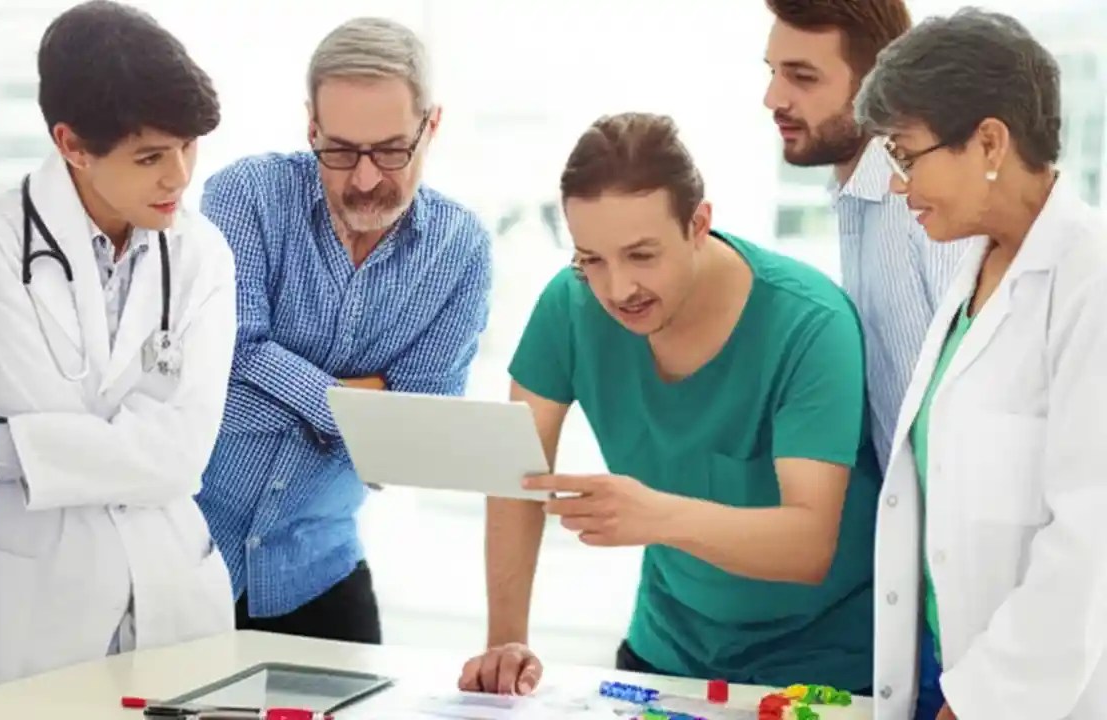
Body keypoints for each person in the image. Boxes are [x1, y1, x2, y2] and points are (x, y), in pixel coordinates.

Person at [459, 112, 879, 695]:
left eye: (641, 255)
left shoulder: (810, 323)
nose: (617, 289)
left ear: (698, 224)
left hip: (823, 666)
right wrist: (506, 641)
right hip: (667, 651)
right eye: (592, 258)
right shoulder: (571, 304)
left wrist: (654, 515)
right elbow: (514, 478)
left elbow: (807, 546)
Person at [0, 0, 235, 686]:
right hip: (41, 595)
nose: (179, 177)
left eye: (188, 147)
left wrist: (7, 446)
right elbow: (43, 404)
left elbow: (184, 455)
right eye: (150, 157)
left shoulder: (203, 252)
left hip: (171, 586)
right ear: (71, 144)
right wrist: (125, 444)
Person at [198, 17, 492, 644]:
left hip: (321, 575)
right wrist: (364, 404)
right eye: (339, 150)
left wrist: (284, 382)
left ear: (431, 126)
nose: (364, 179)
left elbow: (416, 434)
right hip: (189, 564)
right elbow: (222, 367)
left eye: (390, 151)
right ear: (311, 127)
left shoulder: (461, 250)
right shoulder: (244, 198)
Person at [856, 10, 1107, 720]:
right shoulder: (976, 267)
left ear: (990, 141)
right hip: (948, 668)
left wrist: (980, 703)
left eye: (906, 155)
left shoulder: (1090, 278)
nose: (898, 185)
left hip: (1033, 694)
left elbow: (1092, 539)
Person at [763, 0, 973, 474]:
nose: (773, 99)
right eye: (773, 71)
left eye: (802, 77)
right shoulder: (854, 196)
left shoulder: (930, 206)